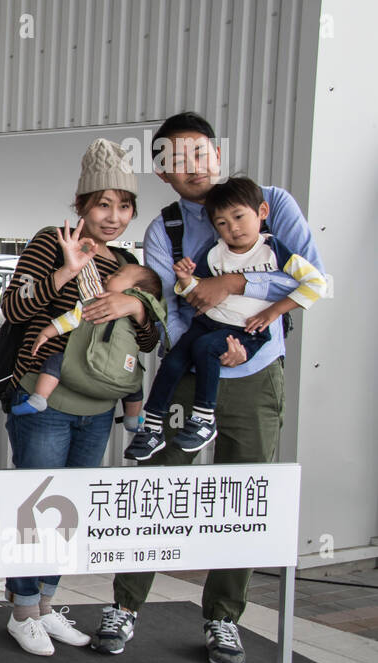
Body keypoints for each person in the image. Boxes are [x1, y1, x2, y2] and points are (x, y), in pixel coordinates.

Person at [93, 112, 327, 663]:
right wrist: (202, 347)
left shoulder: (272, 203)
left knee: (246, 494)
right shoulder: (163, 231)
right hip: (190, 373)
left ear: (218, 157)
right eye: (177, 160)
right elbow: (169, 310)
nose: (193, 167)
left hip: (257, 370)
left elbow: (310, 276)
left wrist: (237, 286)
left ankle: (224, 616)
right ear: (162, 173)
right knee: (158, 487)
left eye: (201, 154)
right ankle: (125, 605)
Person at [0, 138, 161, 656]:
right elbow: (13, 307)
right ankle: (22, 611)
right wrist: (67, 271)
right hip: (45, 403)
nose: (113, 217)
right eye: (102, 204)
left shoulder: (130, 264)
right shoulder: (54, 240)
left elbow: (149, 342)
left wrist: (134, 308)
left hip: (99, 408)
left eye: (124, 205)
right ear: (81, 206)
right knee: (34, 506)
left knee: (67, 514)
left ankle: (47, 606)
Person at [125, 178, 326, 461]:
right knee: (174, 359)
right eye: (222, 222)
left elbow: (317, 282)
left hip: (247, 331)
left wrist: (273, 310)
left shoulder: (275, 251)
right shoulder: (215, 251)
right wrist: (185, 281)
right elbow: (194, 292)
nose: (233, 227)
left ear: (263, 212)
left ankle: (204, 418)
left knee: (206, 347)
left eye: (239, 217)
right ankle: (154, 425)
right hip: (208, 323)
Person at [17, 262, 164, 437]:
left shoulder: (139, 314)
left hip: (109, 386)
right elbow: (73, 318)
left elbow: (149, 343)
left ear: (137, 291)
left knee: (134, 381)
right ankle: (39, 398)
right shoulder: (95, 301)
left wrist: (137, 308)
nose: (108, 276)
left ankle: (132, 417)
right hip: (72, 381)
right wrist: (46, 333)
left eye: (116, 275)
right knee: (55, 361)